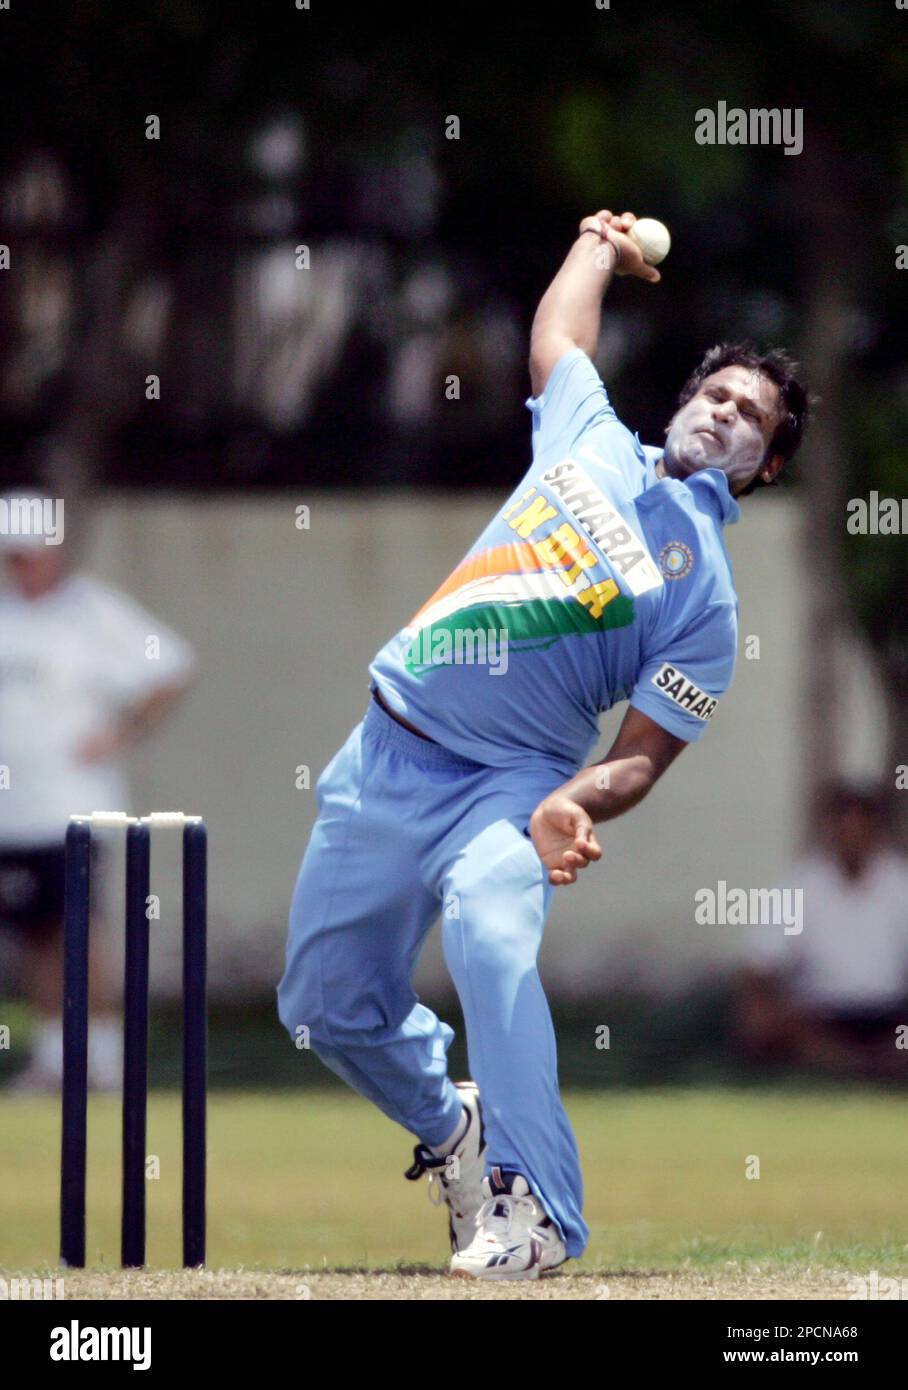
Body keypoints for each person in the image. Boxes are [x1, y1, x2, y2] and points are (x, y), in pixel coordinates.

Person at [277, 209, 811, 1279]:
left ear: (763, 467)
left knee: (485, 929)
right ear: (681, 401)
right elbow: (557, 340)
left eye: (749, 416)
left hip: (510, 790)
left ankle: (539, 1214)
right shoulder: (589, 437)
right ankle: (449, 1123)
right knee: (325, 1009)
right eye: (715, 392)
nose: (723, 413)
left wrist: (576, 801)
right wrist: (597, 247)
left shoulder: (704, 598)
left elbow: (640, 757)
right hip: (386, 751)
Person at [0, 492, 196, 1091]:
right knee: (35, 935)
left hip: (75, 804)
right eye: (12, 557)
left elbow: (172, 669)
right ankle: (56, 1059)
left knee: (82, 930)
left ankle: (105, 1059)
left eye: (30, 556)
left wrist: (120, 733)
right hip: (13, 811)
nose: (21, 568)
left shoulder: (92, 612)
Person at [735, 781, 908, 1081]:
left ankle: (864, 1069)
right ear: (830, 828)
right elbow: (759, 962)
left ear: (876, 829)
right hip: (821, 1017)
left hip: (890, 1015)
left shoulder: (900, 882)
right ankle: (861, 1070)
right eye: (844, 824)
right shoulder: (801, 884)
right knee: (767, 1022)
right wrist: (762, 1002)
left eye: (862, 825)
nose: (853, 835)